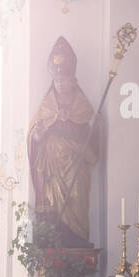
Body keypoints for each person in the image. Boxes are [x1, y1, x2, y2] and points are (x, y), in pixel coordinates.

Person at [27, 37, 97, 246]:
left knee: (77, 198)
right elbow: (35, 137)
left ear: (73, 81)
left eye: (64, 80)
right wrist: (39, 135)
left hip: (76, 163)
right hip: (52, 165)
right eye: (57, 81)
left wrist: (86, 127)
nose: (60, 84)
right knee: (54, 202)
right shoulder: (46, 106)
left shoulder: (82, 105)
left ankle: (78, 238)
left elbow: (88, 132)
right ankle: (57, 237)